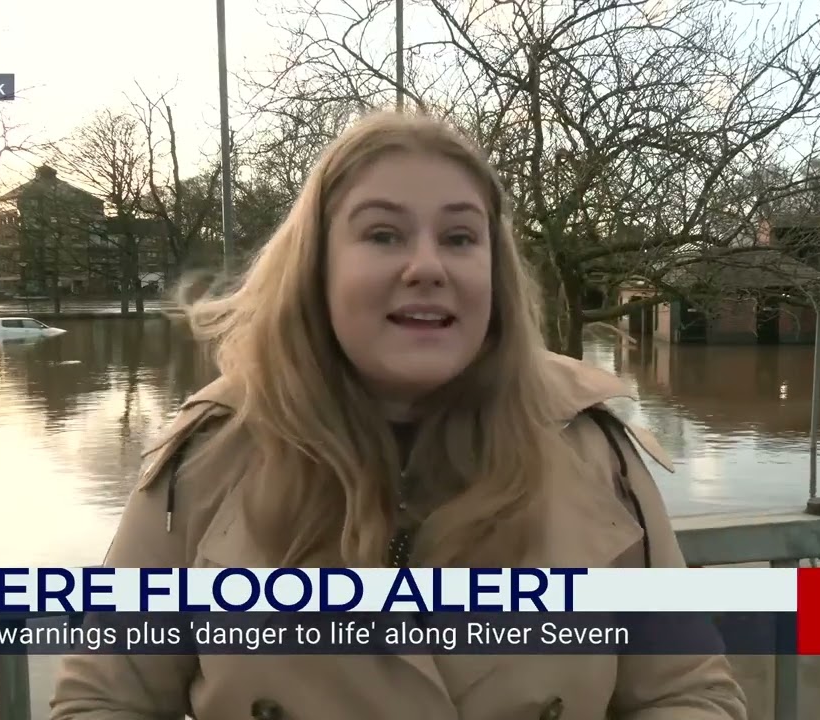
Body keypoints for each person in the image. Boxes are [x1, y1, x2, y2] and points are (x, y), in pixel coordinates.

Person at [50, 110, 747, 720]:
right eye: (383, 235)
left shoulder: (597, 453)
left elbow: (685, 693)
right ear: (316, 270)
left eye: (460, 238)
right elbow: (106, 700)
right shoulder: (205, 460)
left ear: (494, 277)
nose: (426, 266)